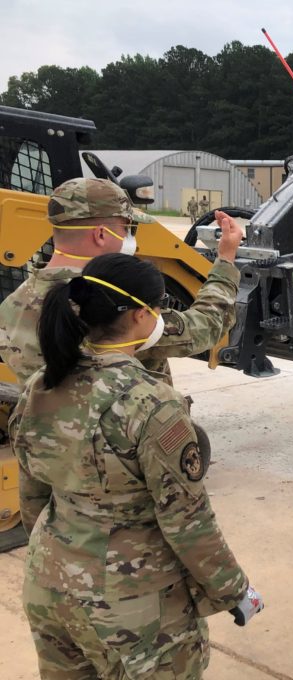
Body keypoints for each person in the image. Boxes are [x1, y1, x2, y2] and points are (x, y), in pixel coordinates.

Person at [10, 253, 263, 679]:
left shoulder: (42, 383)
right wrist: (233, 590)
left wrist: (61, 551)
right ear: (144, 316)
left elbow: (33, 488)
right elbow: (186, 520)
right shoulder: (150, 402)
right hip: (133, 608)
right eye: (161, 309)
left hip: (49, 585)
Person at [0, 177, 243, 386]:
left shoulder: (13, 303)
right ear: (101, 234)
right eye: (128, 228)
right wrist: (225, 260)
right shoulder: (111, 305)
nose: (131, 237)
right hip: (121, 437)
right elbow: (208, 325)